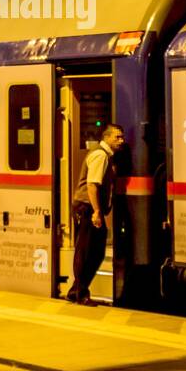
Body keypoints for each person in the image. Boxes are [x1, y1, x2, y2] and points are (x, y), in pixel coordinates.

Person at [65, 123, 126, 306]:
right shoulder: (100, 155)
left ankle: (76, 290)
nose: (121, 140)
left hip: (88, 207)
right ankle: (80, 294)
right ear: (106, 137)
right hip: (87, 207)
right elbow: (92, 185)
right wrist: (97, 211)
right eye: (117, 137)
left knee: (94, 250)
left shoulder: (105, 156)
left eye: (122, 137)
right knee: (88, 251)